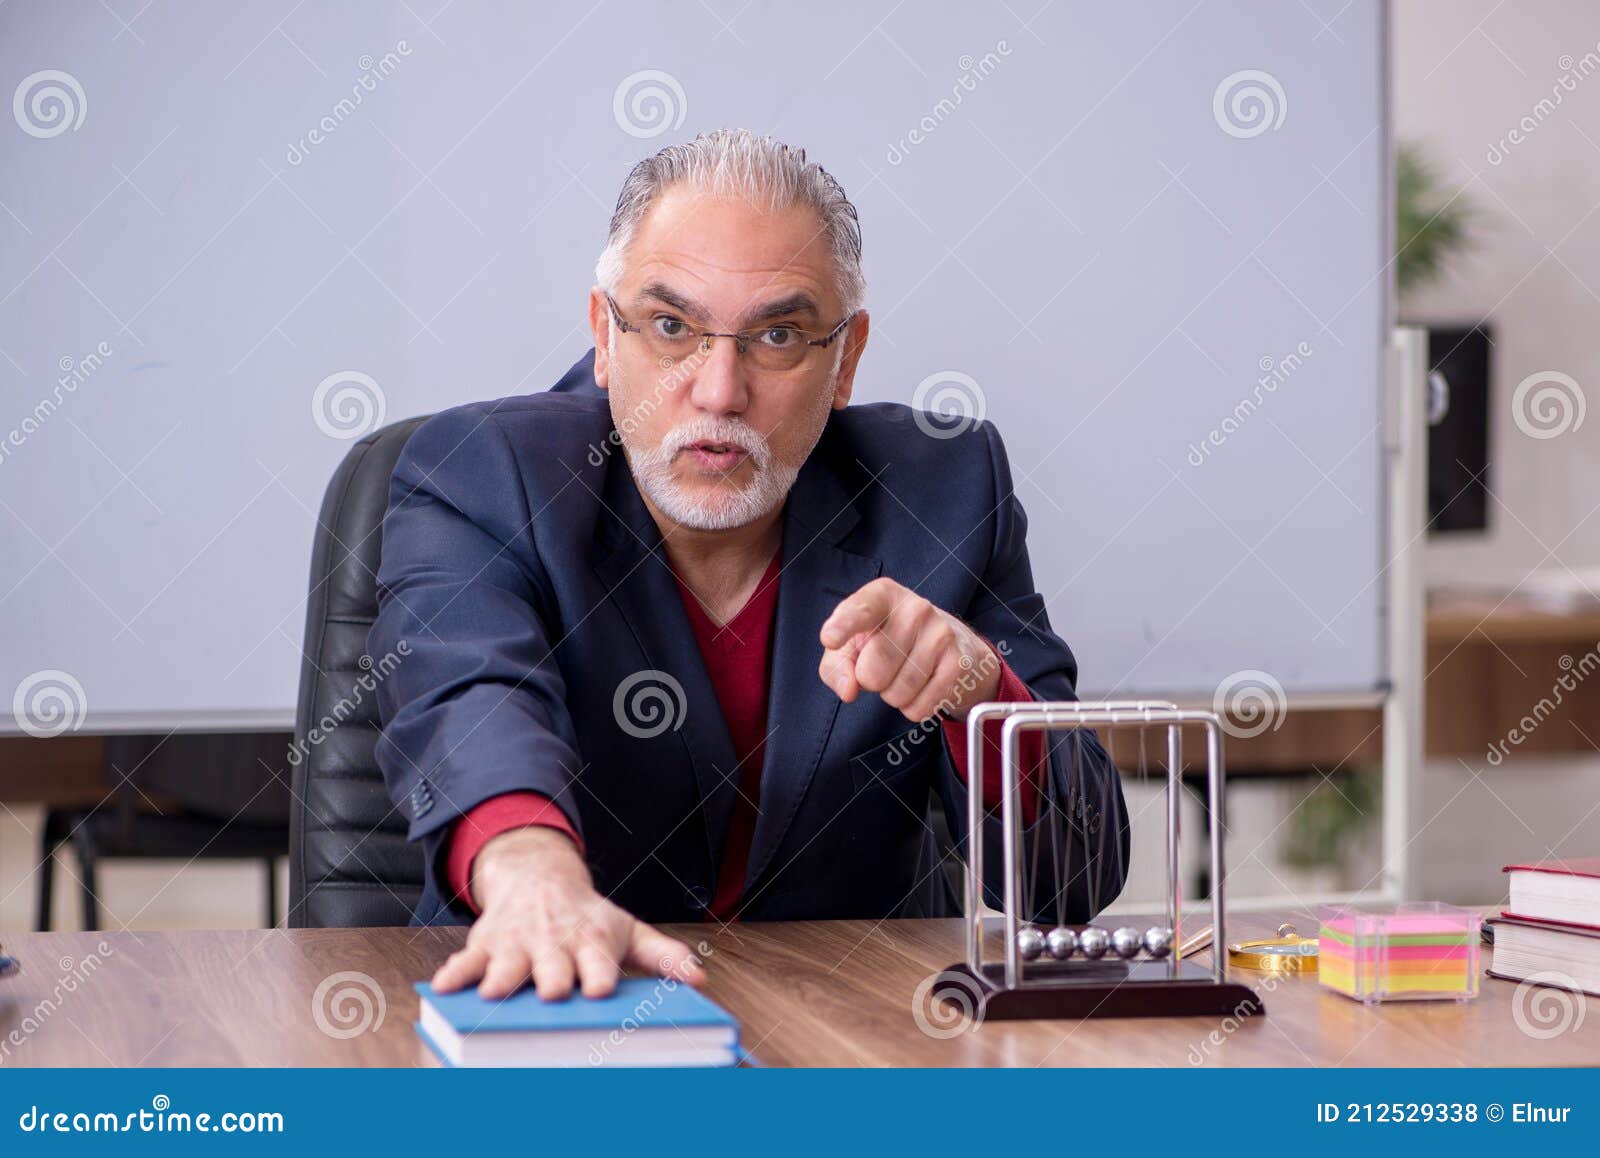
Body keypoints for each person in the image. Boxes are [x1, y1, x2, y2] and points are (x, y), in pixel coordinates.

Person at [369, 128, 1127, 1002]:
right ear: (603, 336)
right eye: (669, 326)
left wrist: (983, 696)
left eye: (777, 336)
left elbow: (1075, 883)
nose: (719, 389)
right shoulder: (483, 471)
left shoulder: (947, 490)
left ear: (846, 359)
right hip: (555, 1011)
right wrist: (533, 873)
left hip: (857, 1038)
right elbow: (469, 700)